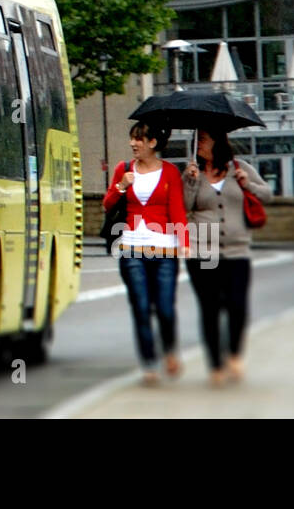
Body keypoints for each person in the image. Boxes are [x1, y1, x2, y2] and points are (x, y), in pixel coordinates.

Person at [183, 128, 271, 386]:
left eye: (204, 140)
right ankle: (215, 365)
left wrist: (247, 183)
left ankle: (233, 354)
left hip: (237, 250)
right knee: (210, 308)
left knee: (237, 305)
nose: (199, 145)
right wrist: (189, 183)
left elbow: (266, 195)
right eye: (196, 140)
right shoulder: (192, 173)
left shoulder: (239, 167)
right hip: (203, 252)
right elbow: (184, 208)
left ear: (217, 142)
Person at [103, 121, 189, 385]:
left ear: (153, 143)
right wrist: (121, 186)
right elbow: (107, 205)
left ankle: (170, 351)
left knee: (164, 308)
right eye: (132, 138)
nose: (133, 144)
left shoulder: (171, 172)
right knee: (141, 307)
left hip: (165, 251)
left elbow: (177, 210)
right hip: (131, 250)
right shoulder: (124, 169)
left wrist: (184, 241)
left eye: (139, 139)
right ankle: (150, 363)